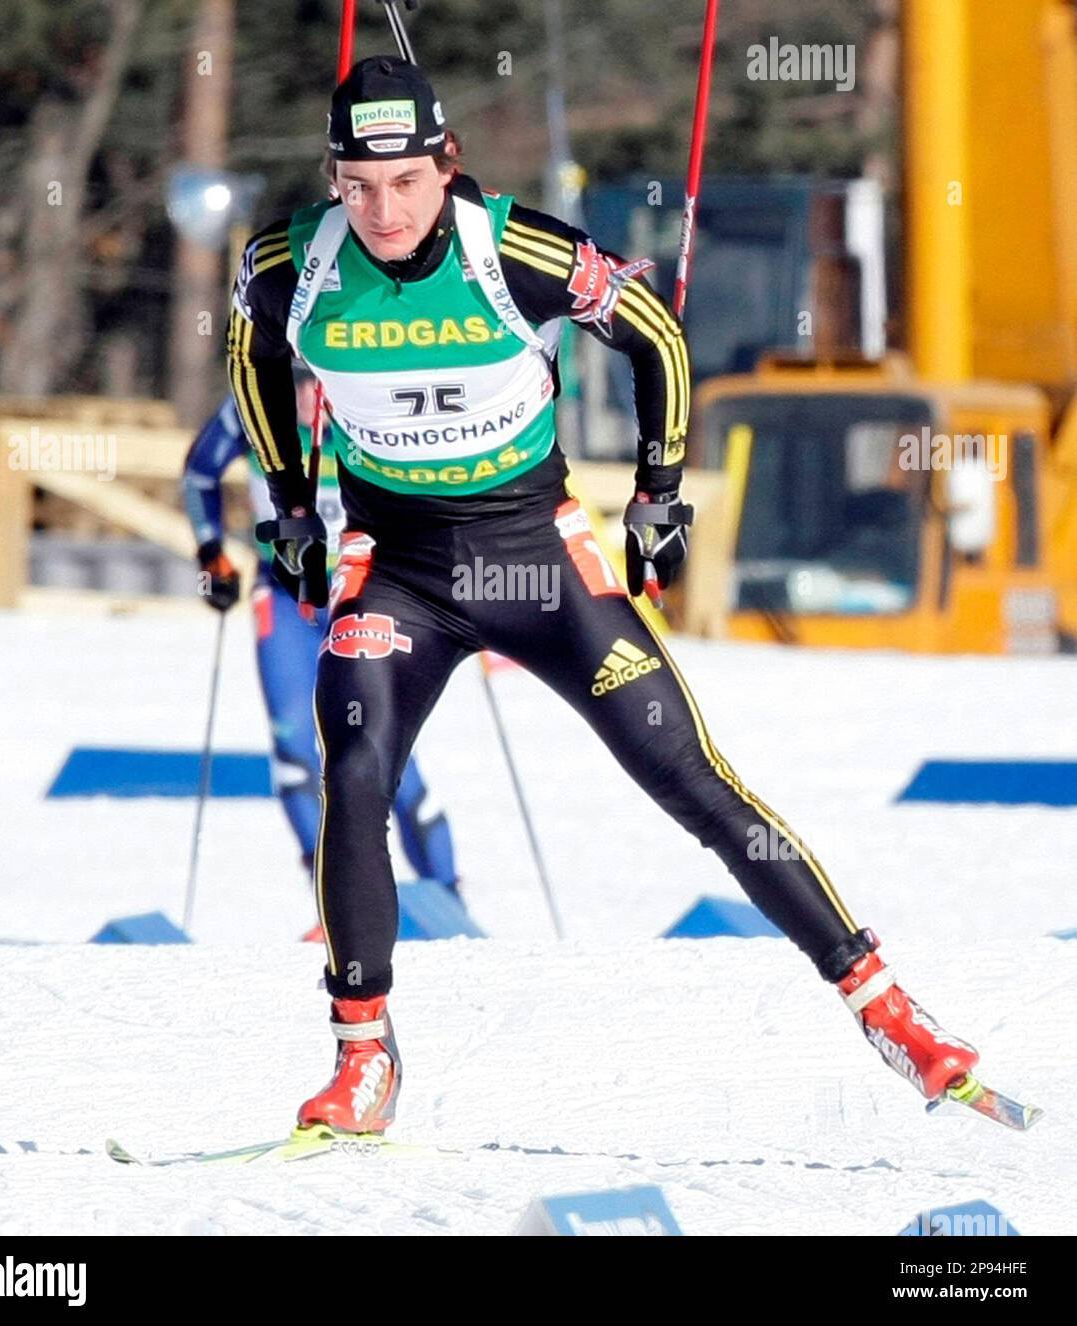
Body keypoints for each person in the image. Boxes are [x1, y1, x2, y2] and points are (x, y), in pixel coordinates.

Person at [226, 56, 980, 1135]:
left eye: (403, 181)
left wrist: (657, 491)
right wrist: (291, 508)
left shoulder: (512, 249)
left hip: (540, 563)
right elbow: (248, 352)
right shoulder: (289, 264)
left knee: (692, 783)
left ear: (446, 167)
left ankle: (891, 1015)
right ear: (333, 178)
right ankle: (361, 1058)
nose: (382, 209)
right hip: (396, 569)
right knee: (354, 772)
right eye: (356, 184)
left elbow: (656, 338)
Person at [182, 360, 462, 941]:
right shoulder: (255, 412)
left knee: (379, 748)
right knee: (291, 742)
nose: (310, 396)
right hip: (286, 599)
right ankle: (330, 908)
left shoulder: (372, 405)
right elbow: (199, 473)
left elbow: (441, 481)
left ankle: (447, 898)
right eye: (299, 383)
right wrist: (211, 551)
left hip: (363, 598)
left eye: (320, 382)